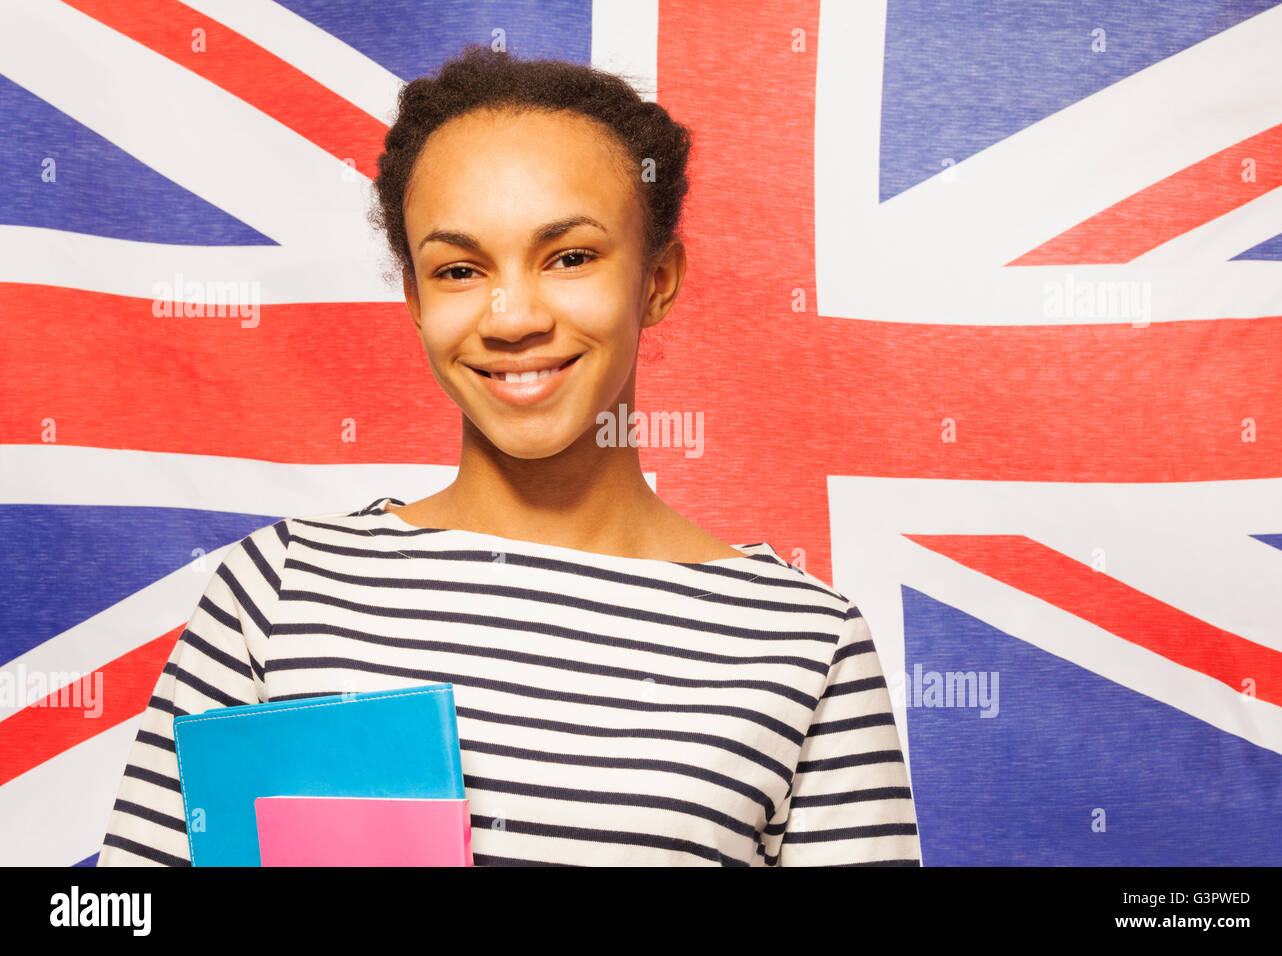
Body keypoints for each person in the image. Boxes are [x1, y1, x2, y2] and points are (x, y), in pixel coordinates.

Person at [97, 44, 921, 866]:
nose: (512, 314)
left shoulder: (804, 640)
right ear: (416, 301)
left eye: (569, 257)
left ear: (658, 279)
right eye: (459, 269)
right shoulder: (278, 592)